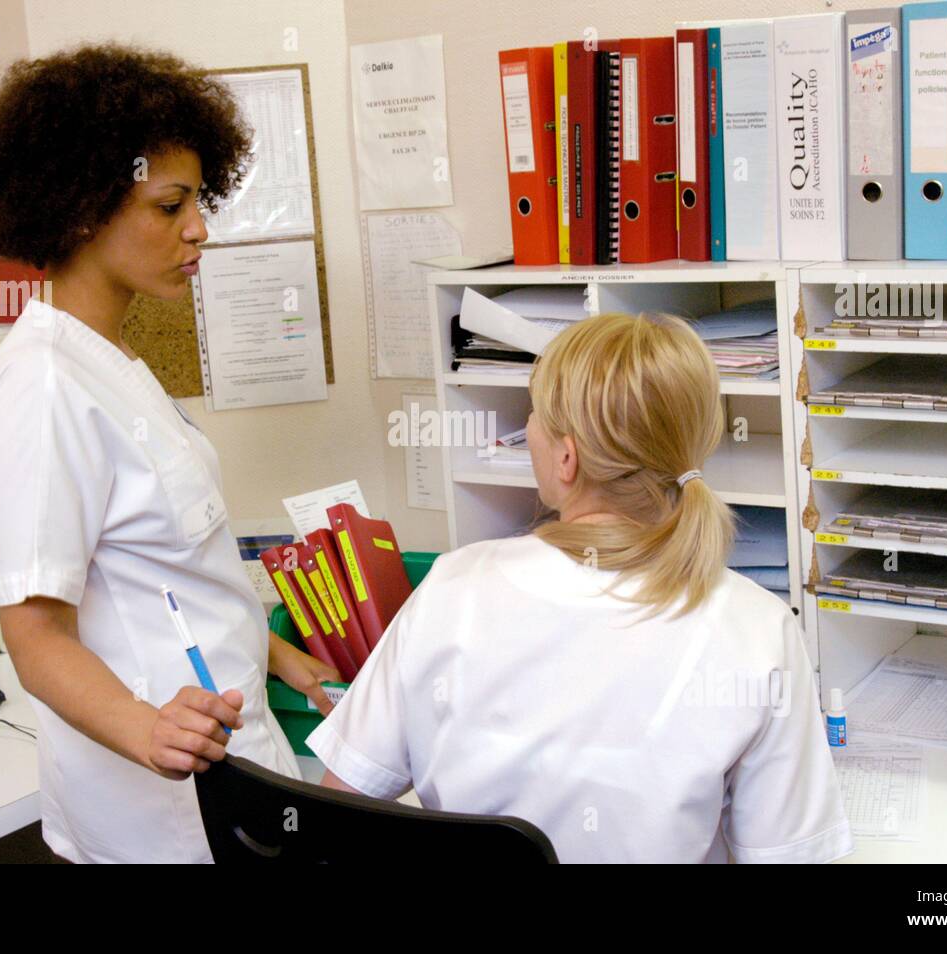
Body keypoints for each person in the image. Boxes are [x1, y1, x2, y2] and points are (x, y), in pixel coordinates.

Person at [0, 43, 338, 863]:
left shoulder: (111, 359)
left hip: (228, 754)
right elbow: (34, 636)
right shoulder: (45, 389)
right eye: (170, 207)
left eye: (197, 201)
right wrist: (148, 727)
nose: (198, 229)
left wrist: (278, 653)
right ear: (84, 209)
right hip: (156, 810)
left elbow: (162, 561)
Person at [308, 312, 852, 863]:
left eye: (536, 416)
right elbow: (789, 856)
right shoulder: (757, 628)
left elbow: (339, 806)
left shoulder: (453, 589)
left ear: (566, 458)